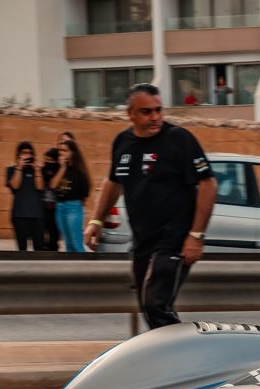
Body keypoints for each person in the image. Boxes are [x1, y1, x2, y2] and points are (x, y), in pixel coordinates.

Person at [84, 83, 216, 330]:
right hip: (143, 241)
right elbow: (113, 181)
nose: (155, 117)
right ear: (130, 114)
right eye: (146, 112)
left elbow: (208, 184)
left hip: (174, 238)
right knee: (149, 308)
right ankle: (170, 360)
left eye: (158, 110)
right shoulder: (122, 142)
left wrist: (196, 236)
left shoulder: (179, 139)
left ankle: (184, 356)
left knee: (156, 304)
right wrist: (96, 221)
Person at [50, 139, 91, 252]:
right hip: (60, 207)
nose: (61, 153)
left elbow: (84, 192)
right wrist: (63, 168)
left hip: (73, 207)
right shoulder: (59, 168)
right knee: (68, 244)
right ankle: (73, 269)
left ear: (72, 152)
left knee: (76, 244)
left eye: (65, 150)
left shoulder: (79, 171)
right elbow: (53, 185)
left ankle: (83, 268)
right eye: (60, 151)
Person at [6, 141, 46, 251]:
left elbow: (40, 187)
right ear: (18, 155)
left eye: (30, 153)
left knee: (38, 247)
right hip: (19, 214)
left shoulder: (38, 170)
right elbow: (15, 186)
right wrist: (19, 167)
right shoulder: (11, 169)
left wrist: (37, 170)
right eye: (24, 153)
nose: (27, 155)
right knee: (22, 248)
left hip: (37, 214)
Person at [40, 147, 61, 250]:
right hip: (43, 207)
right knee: (42, 233)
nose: (48, 162)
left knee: (54, 234)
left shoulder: (60, 171)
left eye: (51, 160)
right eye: (46, 160)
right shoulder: (42, 170)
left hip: (56, 208)